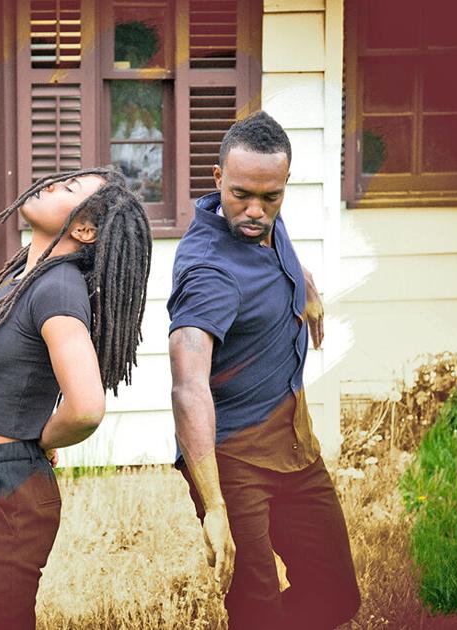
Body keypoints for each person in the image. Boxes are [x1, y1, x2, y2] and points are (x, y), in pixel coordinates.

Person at [0, 168, 153, 630]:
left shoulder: (57, 289)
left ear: (84, 229)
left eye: (69, 188)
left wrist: (36, 442)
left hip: (1, 491)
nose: (51, 183)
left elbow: (85, 407)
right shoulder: (22, 274)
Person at [167, 111, 360, 629]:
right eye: (241, 194)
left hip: (294, 445)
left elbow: (274, 244)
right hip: (234, 461)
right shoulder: (209, 273)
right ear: (217, 179)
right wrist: (214, 506)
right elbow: (187, 388)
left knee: (337, 594)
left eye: (269, 197)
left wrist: (307, 288)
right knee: (257, 608)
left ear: (284, 185)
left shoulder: (262, 219)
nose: (254, 211)